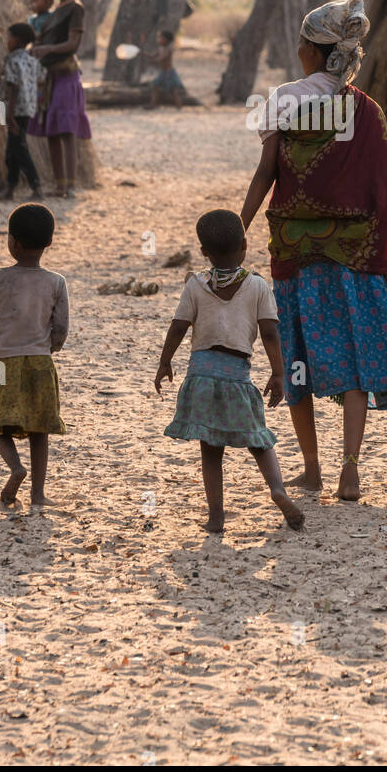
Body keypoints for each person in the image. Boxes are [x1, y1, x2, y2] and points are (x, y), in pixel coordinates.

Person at [240, 0, 387, 503]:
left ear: (314, 52)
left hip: (294, 250)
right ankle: (350, 471)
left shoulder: (283, 100)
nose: (297, 50)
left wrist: (239, 224)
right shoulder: (368, 110)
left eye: (301, 43)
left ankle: (312, 468)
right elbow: (384, 197)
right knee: (355, 360)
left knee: (298, 356)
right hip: (355, 256)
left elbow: (266, 173)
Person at [154, 209, 304, 534]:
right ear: (245, 246)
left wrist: (165, 361)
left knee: (210, 449)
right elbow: (270, 334)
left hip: (201, 375)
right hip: (237, 374)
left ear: (204, 251)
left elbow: (179, 327)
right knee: (260, 441)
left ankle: (216, 516)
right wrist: (278, 374)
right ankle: (277, 490)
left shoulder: (195, 284)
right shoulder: (258, 287)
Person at [0, 203, 69, 509]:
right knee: (40, 428)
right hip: (41, 364)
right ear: (49, 243)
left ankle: (16, 468)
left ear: (12, 241)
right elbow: (61, 326)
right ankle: (38, 494)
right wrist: (50, 348)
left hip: (3, 363)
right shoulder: (56, 282)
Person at [28, 0, 91, 199]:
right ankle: (60, 185)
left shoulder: (75, 9)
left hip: (66, 74)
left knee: (66, 130)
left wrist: (47, 49)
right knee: (52, 131)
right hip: (50, 76)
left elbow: (73, 44)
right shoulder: (54, 12)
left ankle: (71, 186)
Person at [0, 22, 43, 201]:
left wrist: (8, 115)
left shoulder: (11, 60)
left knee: (20, 148)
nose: (6, 41)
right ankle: (10, 187)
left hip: (13, 109)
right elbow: (41, 80)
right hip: (27, 109)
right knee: (13, 149)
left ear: (16, 40)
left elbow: (12, 87)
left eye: (8, 38)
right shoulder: (32, 60)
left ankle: (36, 185)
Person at [144, 29, 184, 108]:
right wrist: (142, 53)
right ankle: (154, 104)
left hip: (169, 72)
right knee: (156, 86)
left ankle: (178, 105)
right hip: (163, 72)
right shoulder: (160, 48)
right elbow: (152, 55)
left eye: (160, 38)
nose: (158, 40)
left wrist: (154, 61)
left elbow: (161, 58)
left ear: (166, 39)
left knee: (172, 90)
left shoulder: (168, 49)